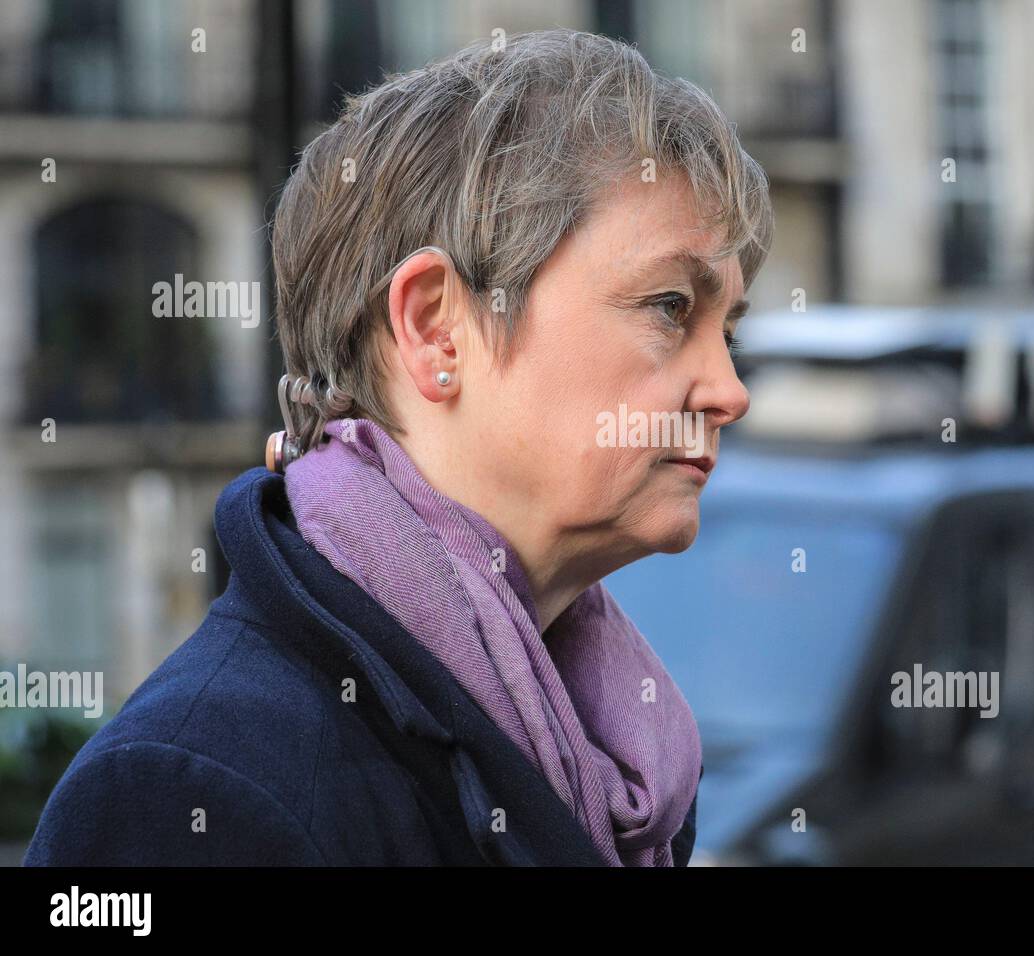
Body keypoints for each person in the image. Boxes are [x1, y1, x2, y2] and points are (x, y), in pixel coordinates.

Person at [24, 27, 772, 866]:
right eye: (671, 307)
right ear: (435, 328)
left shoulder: (619, 753)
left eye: (728, 331)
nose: (729, 391)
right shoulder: (182, 794)